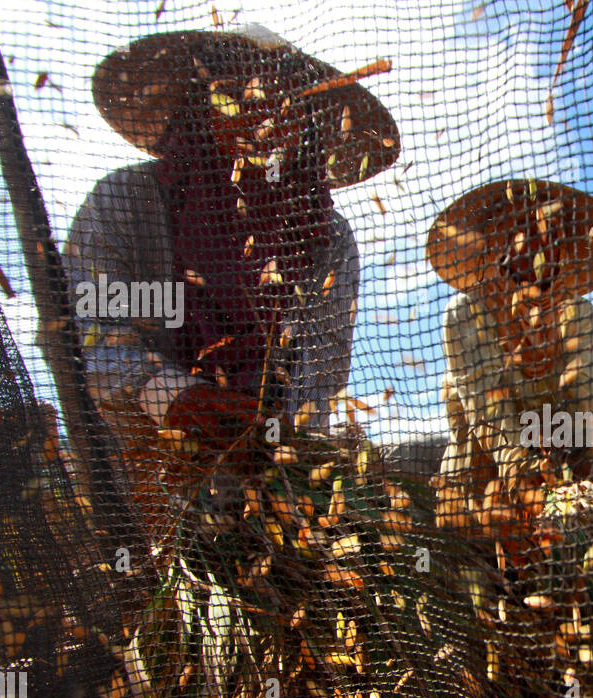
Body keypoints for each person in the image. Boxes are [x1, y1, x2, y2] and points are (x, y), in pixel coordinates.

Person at [60, 25, 398, 533]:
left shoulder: (325, 237)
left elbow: (318, 375)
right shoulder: (125, 202)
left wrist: (277, 442)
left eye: (284, 99)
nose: (261, 112)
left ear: (305, 120)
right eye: (234, 94)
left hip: (268, 474)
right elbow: (90, 340)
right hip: (137, 460)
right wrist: (176, 398)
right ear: (199, 102)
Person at [425, 179, 593, 541]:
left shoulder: (583, 318)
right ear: (493, 251)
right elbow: (487, 409)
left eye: (541, 239)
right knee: (473, 560)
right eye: (514, 241)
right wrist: (521, 474)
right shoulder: (466, 314)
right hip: (480, 475)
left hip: (564, 465)